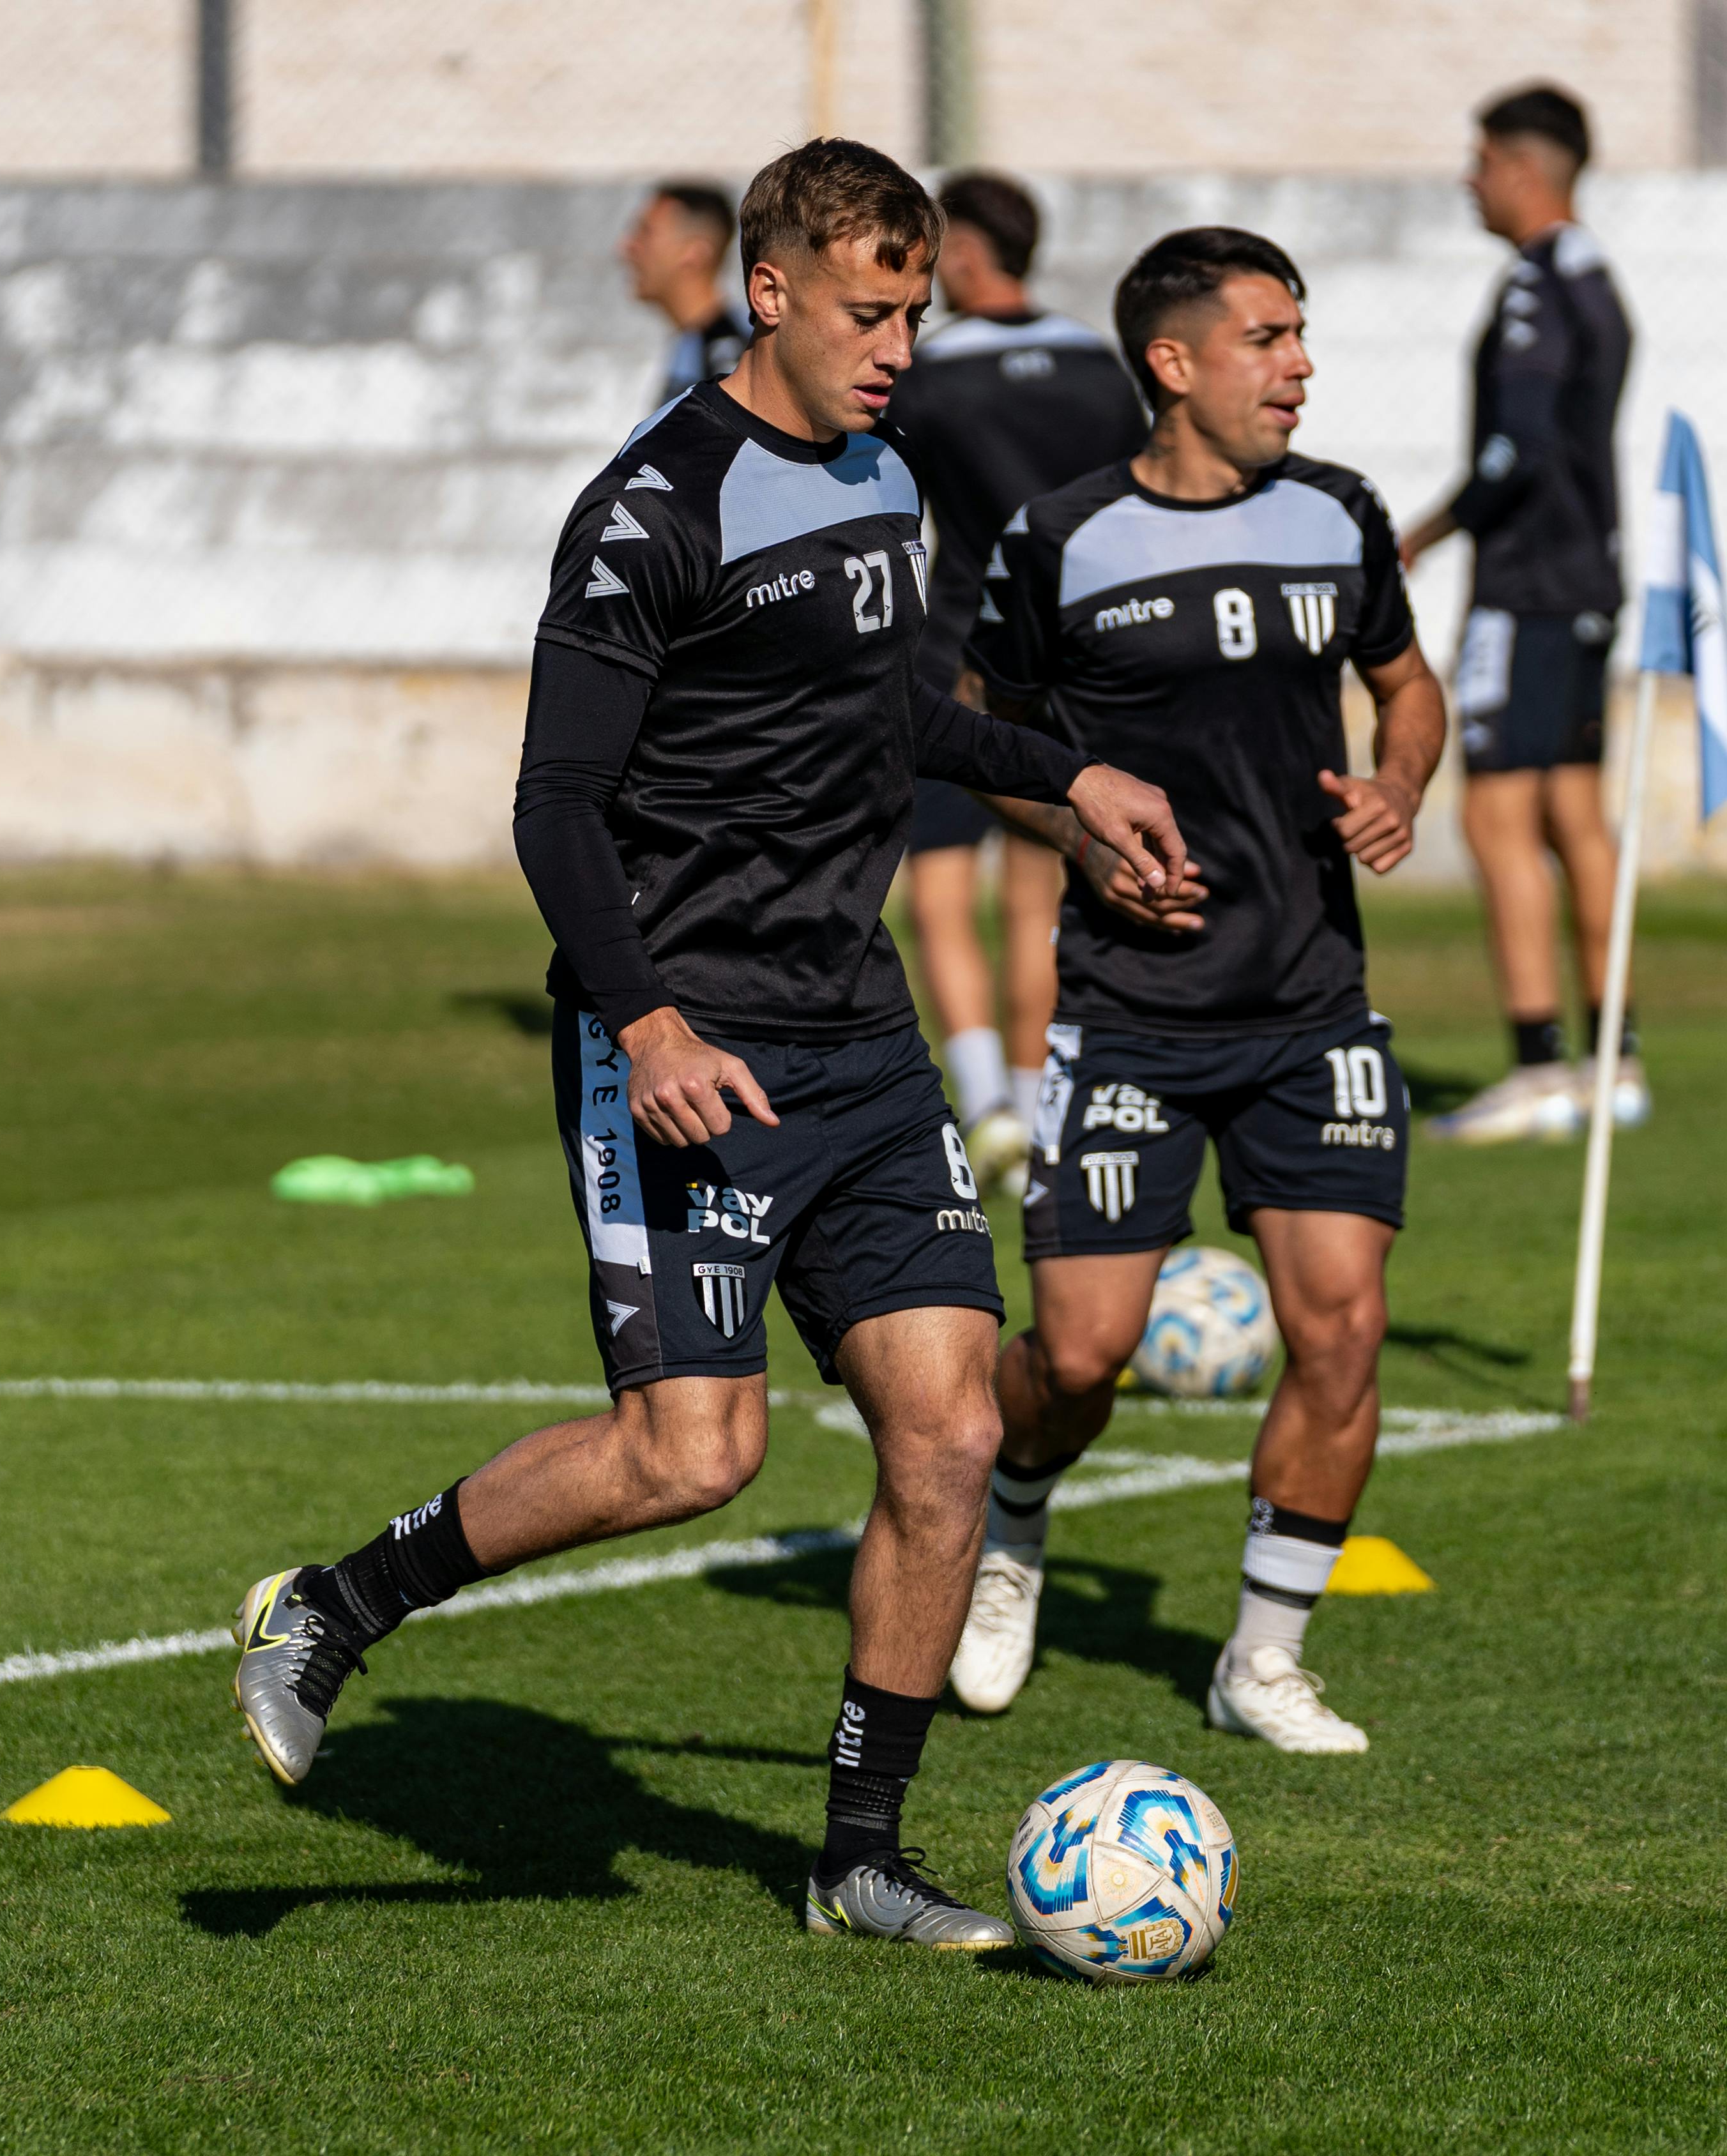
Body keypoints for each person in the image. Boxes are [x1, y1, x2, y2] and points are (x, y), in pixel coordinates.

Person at [228, 139, 1191, 1954]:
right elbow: (557, 806)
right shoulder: (651, 508)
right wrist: (649, 1017)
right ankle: (337, 1607)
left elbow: (899, 700)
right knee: (692, 1457)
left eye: (913, 309)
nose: (901, 345)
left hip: (857, 1034)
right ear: (769, 295)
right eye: (866, 311)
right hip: (677, 1040)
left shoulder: (883, 472)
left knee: (950, 1437)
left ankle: (858, 1861)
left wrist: (1072, 777)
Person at [948, 228, 1445, 1753]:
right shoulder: (1060, 539)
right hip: (1129, 1014)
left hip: (1310, 1004)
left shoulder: (1341, 515)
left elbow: (1405, 684)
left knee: (1344, 1333)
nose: (1301, 365)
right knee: (1083, 1354)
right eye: (1269, 338)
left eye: (1302, 336)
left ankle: (1262, 1662)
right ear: (1174, 363)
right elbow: (990, 734)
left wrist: (1399, 784)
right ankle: (1012, 1517)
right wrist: (1081, 837)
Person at [885, 171, 1150, 1187]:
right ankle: (1043, 1108)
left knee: (943, 885)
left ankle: (986, 1102)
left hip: (954, 645)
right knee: (1041, 877)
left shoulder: (930, 368)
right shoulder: (1099, 364)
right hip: (1071, 650)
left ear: (962, 256)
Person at [1399, 84, 1644, 1146]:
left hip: (1528, 585)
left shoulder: (1535, 290)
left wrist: (1426, 533)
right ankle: (1616, 1060)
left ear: (1524, 170)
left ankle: (1540, 1066)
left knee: (1498, 817)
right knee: (1575, 816)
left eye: (1482, 158)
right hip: (1590, 580)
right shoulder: (1601, 281)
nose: (1470, 177)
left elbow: (1517, 450)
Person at [619, 180, 751, 405]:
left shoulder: (730, 358)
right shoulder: (694, 345)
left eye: (646, 233)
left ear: (694, 253)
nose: (626, 247)